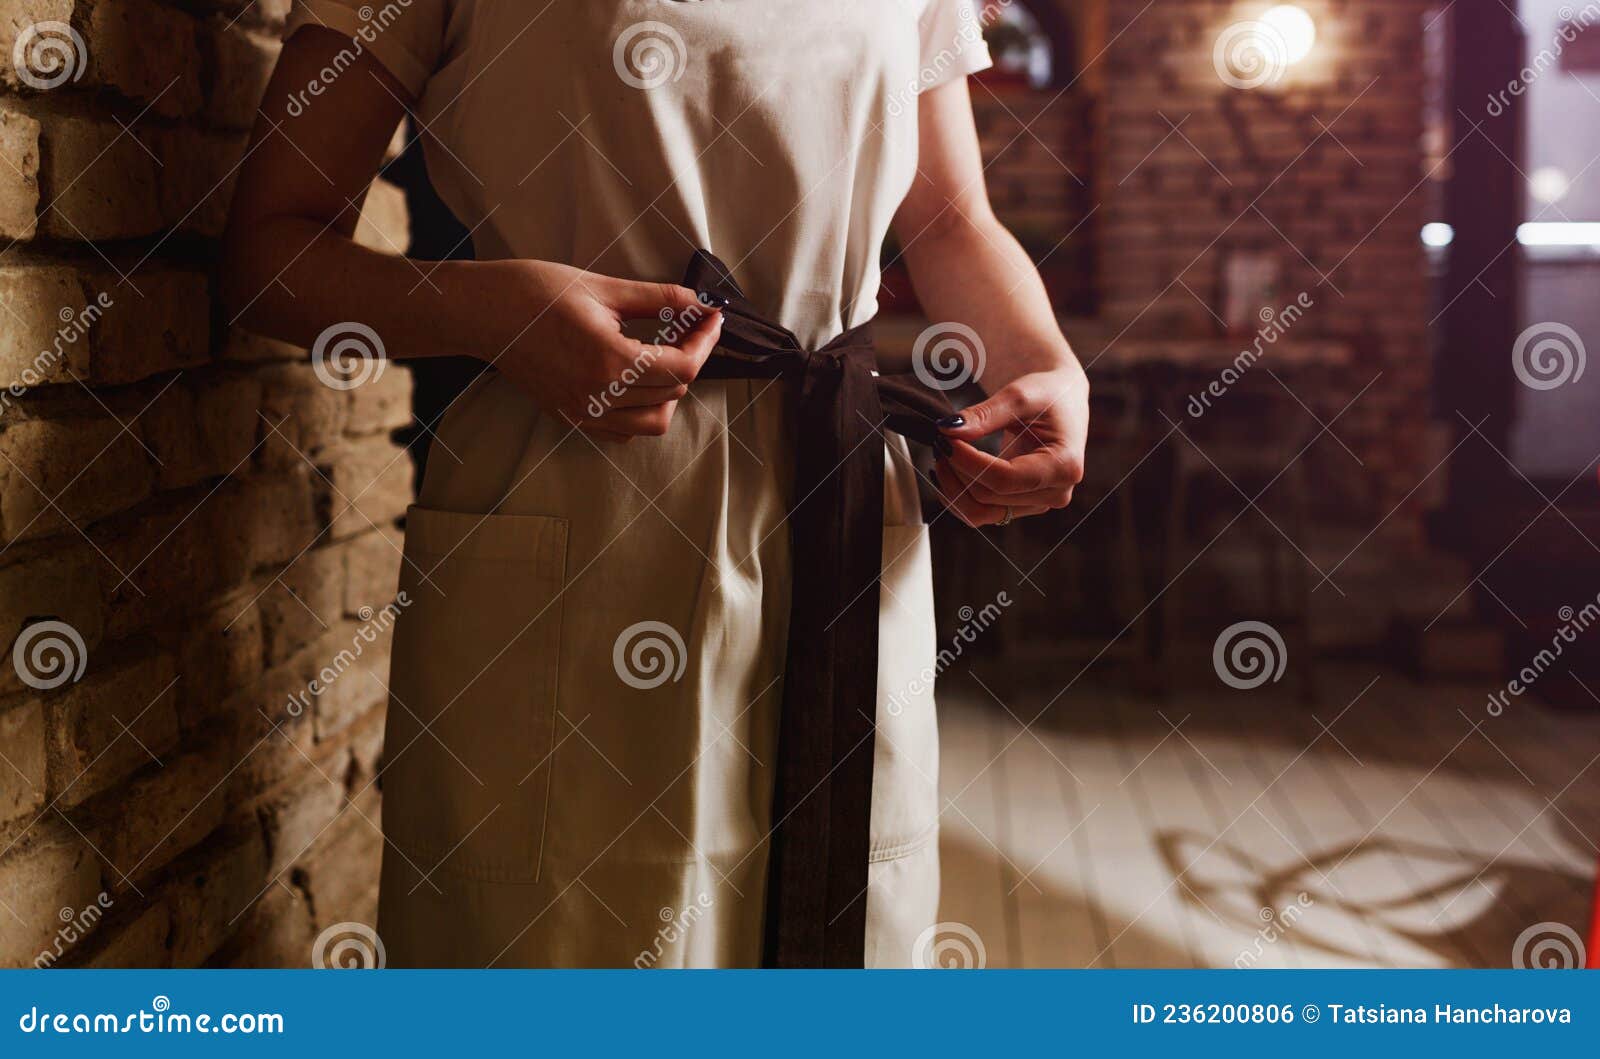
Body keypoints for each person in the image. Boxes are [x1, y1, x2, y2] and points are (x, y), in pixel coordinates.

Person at [223, 0, 1089, 968]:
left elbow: (951, 222)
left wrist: (1045, 361)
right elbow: (271, 251)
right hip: (573, 513)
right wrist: (490, 312)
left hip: (837, 504)